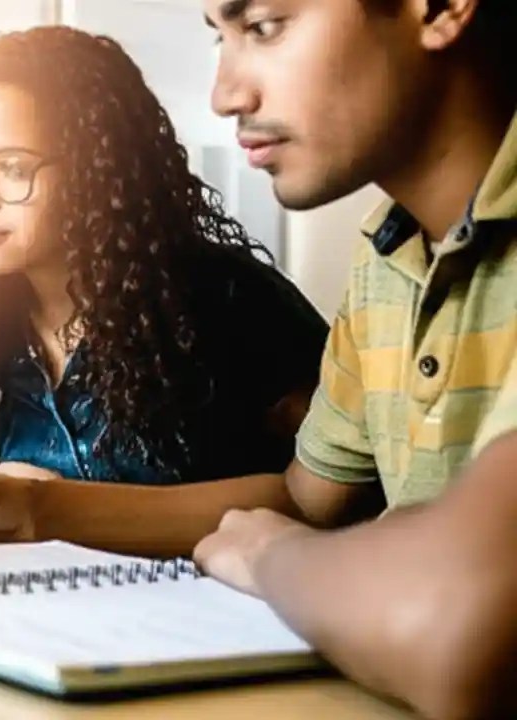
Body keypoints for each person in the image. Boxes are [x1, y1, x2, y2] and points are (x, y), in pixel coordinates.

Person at [0, 26, 329, 556]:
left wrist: (45, 505)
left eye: (11, 168)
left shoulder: (229, 301)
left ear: (96, 174)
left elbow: (336, 496)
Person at [189, 0, 517, 717]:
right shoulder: (387, 251)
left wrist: (271, 559)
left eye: (264, 27)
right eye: (220, 36)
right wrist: (37, 505)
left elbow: (455, 622)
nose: (225, 94)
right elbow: (304, 500)